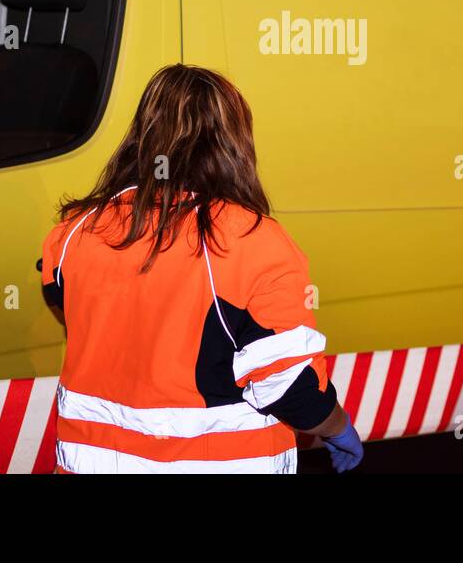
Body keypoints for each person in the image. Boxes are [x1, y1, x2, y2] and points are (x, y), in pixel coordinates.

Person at [39, 63, 363, 474]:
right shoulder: (253, 243)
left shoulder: (75, 232)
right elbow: (290, 388)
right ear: (234, 142)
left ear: (142, 134)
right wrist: (337, 427)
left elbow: (61, 296)